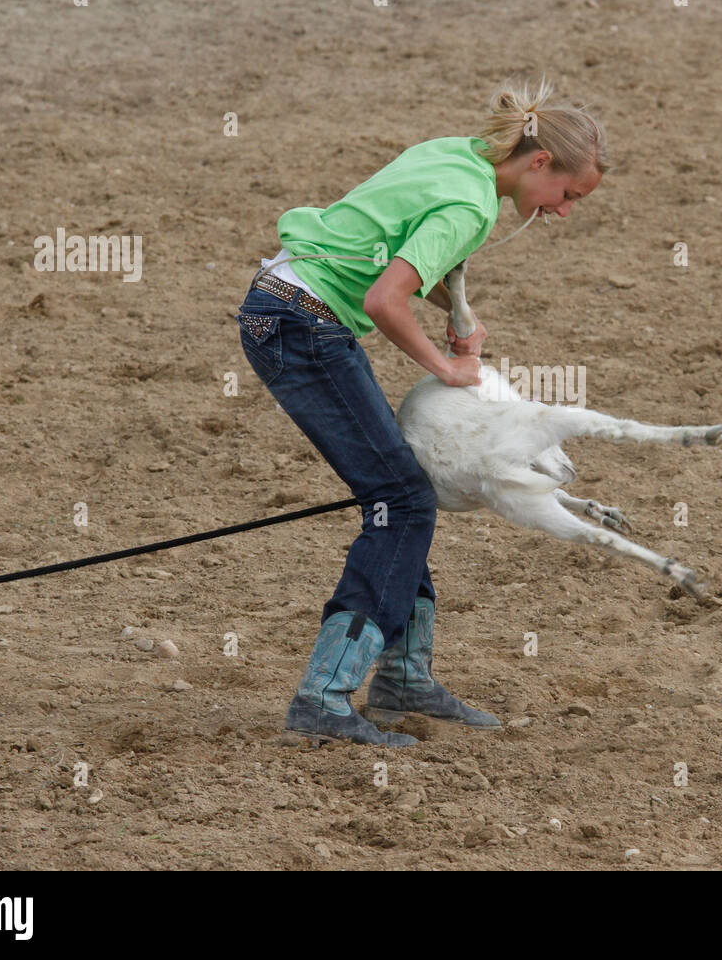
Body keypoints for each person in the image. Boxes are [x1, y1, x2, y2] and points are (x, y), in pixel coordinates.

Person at [235, 77, 609, 746]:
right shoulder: (473, 206)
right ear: (541, 163)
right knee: (403, 501)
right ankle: (325, 693)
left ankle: (403, 675)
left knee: (402, 494)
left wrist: (458, 315)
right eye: (568, 196)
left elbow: (399, 256)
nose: (563, 212)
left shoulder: (456, 156)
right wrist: (446, 366)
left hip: (280, 301)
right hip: (304, 324)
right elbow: (384, 299)